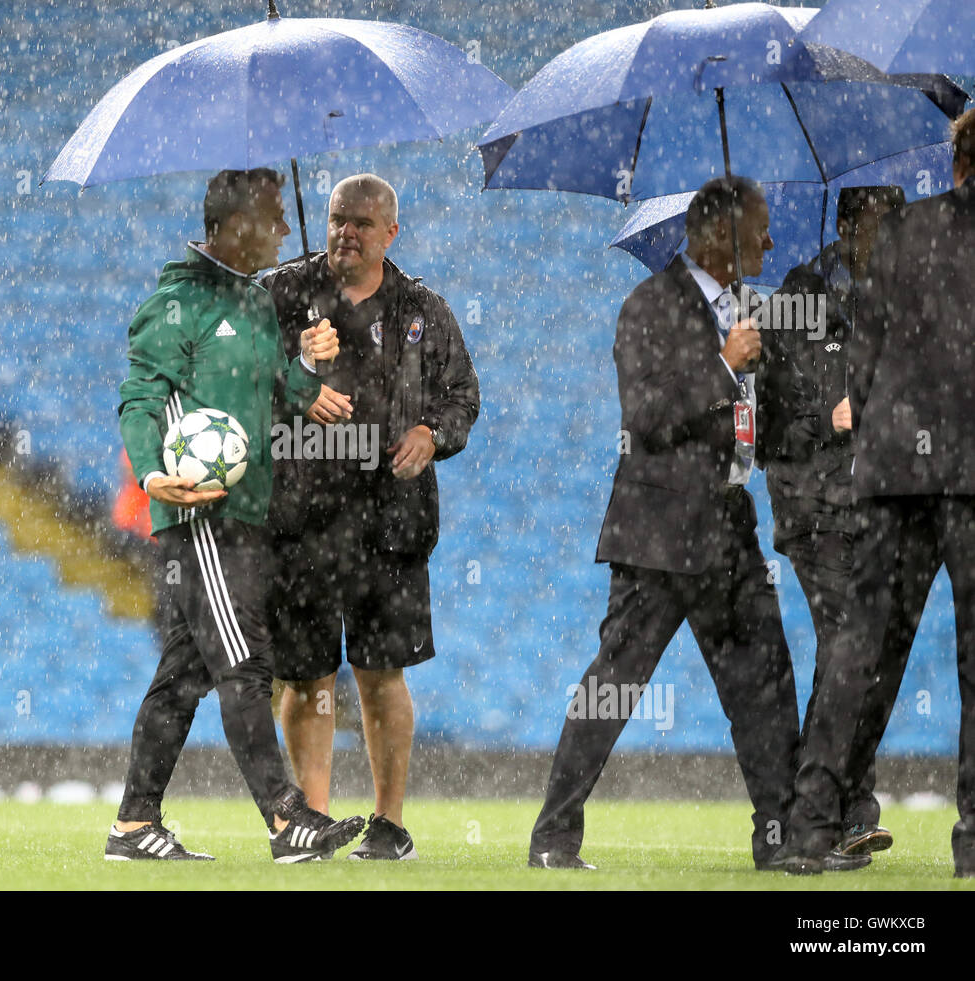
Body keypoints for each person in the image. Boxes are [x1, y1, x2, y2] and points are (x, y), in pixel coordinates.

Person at [529, 176, 815, 871]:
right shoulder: (649, 305)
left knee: (765, 686)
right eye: (760, 229)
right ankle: (552, 838)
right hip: (657, 531)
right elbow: (647, 419)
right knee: (613, 687)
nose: (770, 242)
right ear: (719, 235)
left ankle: (778, 842)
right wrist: (725, 364)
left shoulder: (754, 311)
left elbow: (766, 423)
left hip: (728, 526)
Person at [106, 168, 366, 863]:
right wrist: (154, 471)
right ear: (237, 222)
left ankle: (134, 824)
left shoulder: (252, 302)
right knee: (245, 662)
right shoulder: (175, 303)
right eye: (275, 215)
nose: (285, 229)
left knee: (182, 676)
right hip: (203, 515)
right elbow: (139, 396)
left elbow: (272, 382)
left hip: (248, 512)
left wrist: (310, 373)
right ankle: (287, 820)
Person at [776, 108, 975, 877]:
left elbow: (864, 354)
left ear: (956, 165)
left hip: (895, 476)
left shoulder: (901, 235)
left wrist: (887, 427)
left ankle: (812, 827)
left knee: (859, 653)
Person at [261, 173, 480, 860]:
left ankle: (389, 824)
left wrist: (431, 434)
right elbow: (235, 375)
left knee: (383, 673)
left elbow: (464, 397)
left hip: (392, 522)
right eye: (335, 219)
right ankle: (314, 820)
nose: (344, 232)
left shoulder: (423, 309)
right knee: (305, 678)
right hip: (302, 517)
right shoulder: (282, 295)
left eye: (360, 221)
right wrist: (297, 368)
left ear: (391, 231)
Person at [764, 186, 906, 864]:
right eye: (880, 224)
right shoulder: (797, 297)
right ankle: (839, 810)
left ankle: (824, 809)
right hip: (812, 504)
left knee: (856, 656)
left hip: (870, 505)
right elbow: (774, 423)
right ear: (847, 226)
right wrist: (833, 415)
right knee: (849, 647)